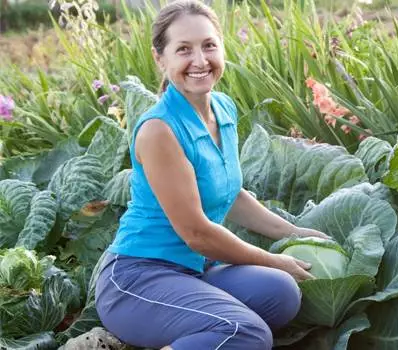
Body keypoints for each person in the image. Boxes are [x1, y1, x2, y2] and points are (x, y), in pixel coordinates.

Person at [94, 1, 329, 349]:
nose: (200, 61)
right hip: (137, 280)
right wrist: (274, 259)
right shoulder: (159, 131)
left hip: (194, 273)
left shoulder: (223, 108)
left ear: (222, 47)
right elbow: (197, 235)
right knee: (245, 333)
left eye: (208, 45)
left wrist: (295, 231)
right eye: (183, 49)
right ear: (161, 59)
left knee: (283, 294)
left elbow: (230, 194)